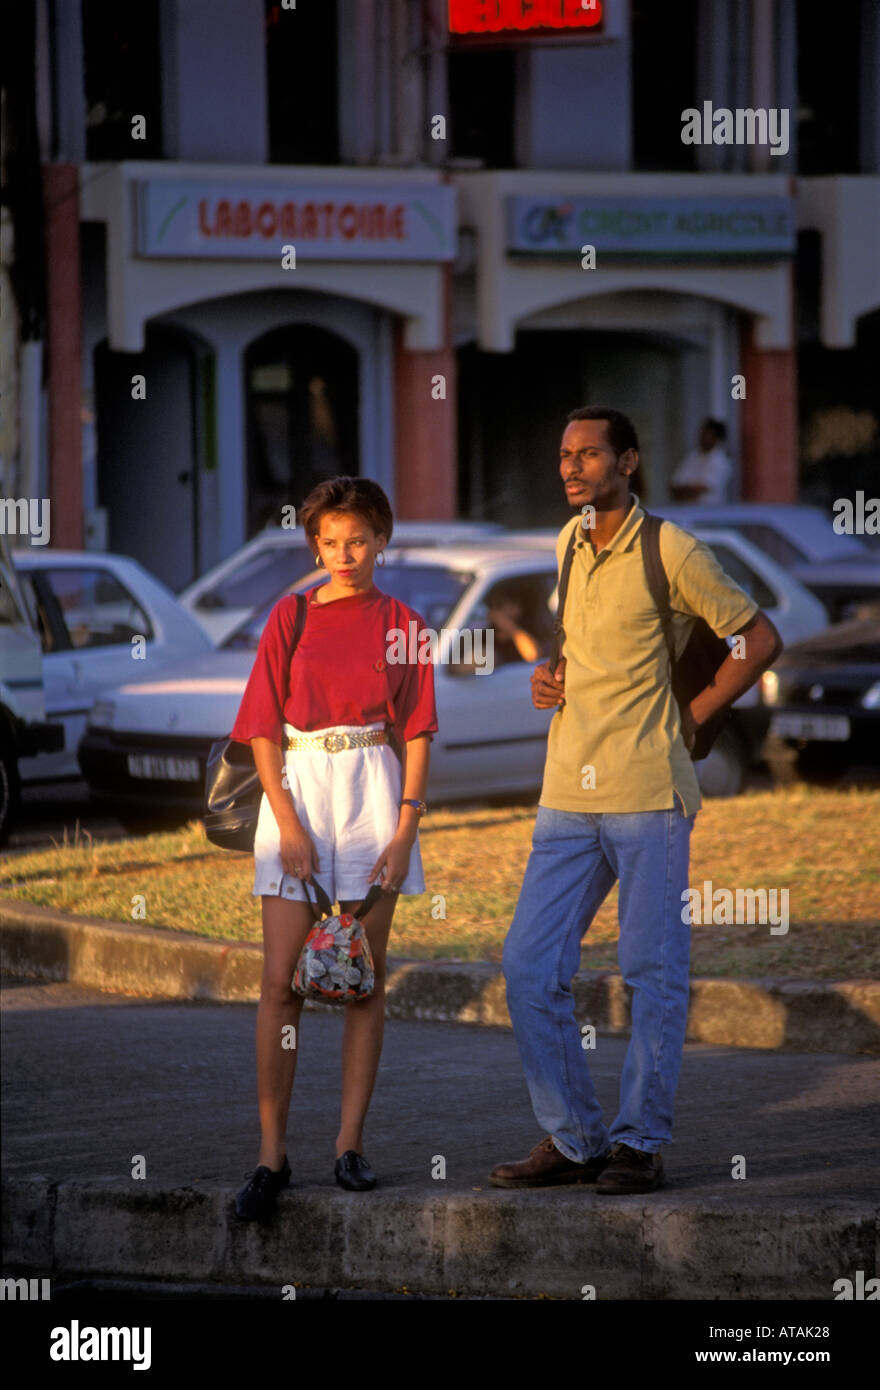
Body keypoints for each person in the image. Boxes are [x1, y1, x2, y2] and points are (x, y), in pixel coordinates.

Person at [489, 406, 782, 1194]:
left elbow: (756, 639)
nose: (572, 467)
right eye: (563, 455)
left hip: (648, 792)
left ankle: (639, 1143)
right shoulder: (567, 544)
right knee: (527, 965)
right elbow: (581, 643)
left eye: (588, 454)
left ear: (628, 461)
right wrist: (549, 673)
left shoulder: (671, 547)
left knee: (651, 971)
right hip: (566, 793)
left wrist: (693, 715)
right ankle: (575, 1137)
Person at [228, 476, 437, 1219]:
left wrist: (406, 826)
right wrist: (285, 822)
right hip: (300, 789)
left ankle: (349, 1145)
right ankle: (270, 1156)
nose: (344, 554)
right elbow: (258, 727)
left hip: (375, 794)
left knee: (362, 982)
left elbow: (416, 729)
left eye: (358, 540)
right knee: (282, 983)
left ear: (382, 539)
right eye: (329, 541)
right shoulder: (288, 615)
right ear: (314, 545)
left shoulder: (405, 623)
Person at [670, 418, 733, 503]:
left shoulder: (721, 461)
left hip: (710, 512)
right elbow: (674, 485)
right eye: (702, 433)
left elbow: (703, 488)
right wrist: (688, 490)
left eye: (707, 434)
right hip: (686, 511)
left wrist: (686, 490)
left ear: (716, 437)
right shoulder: (693, 457)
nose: (702, 436)